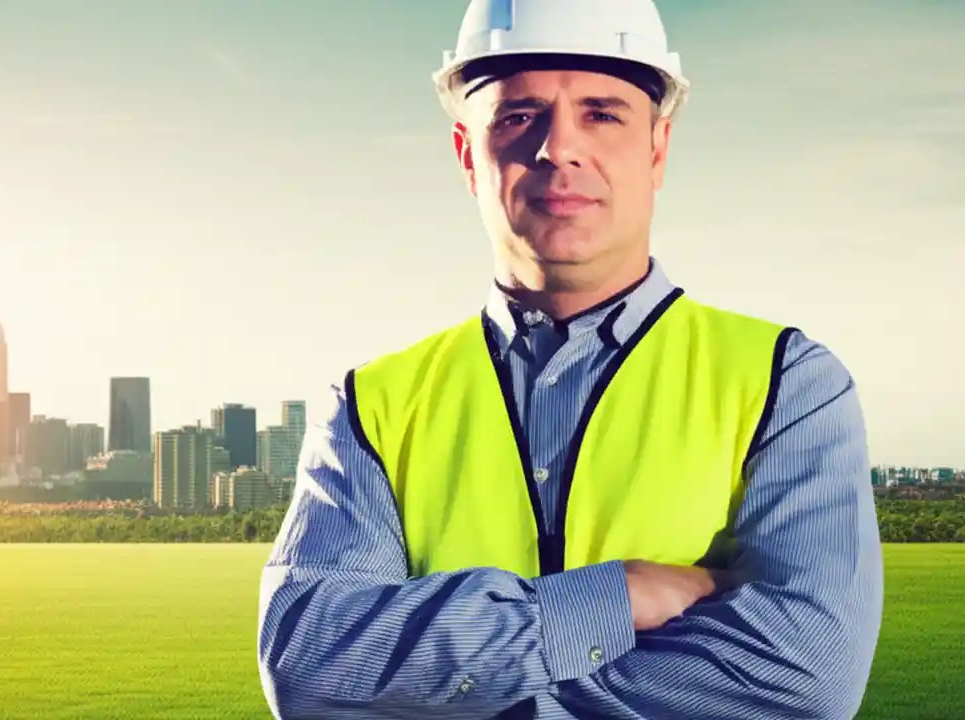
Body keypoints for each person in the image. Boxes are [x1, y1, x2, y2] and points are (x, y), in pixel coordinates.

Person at [255, 0, 884, 717]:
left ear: (657, 149)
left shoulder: (786, 383)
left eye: (602, 114)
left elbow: (804, 678)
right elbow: (307, 666)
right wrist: (617, 596)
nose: (559, 149)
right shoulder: (371, 403)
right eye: (519, 117)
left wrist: (446, 684)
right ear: (468, 155)